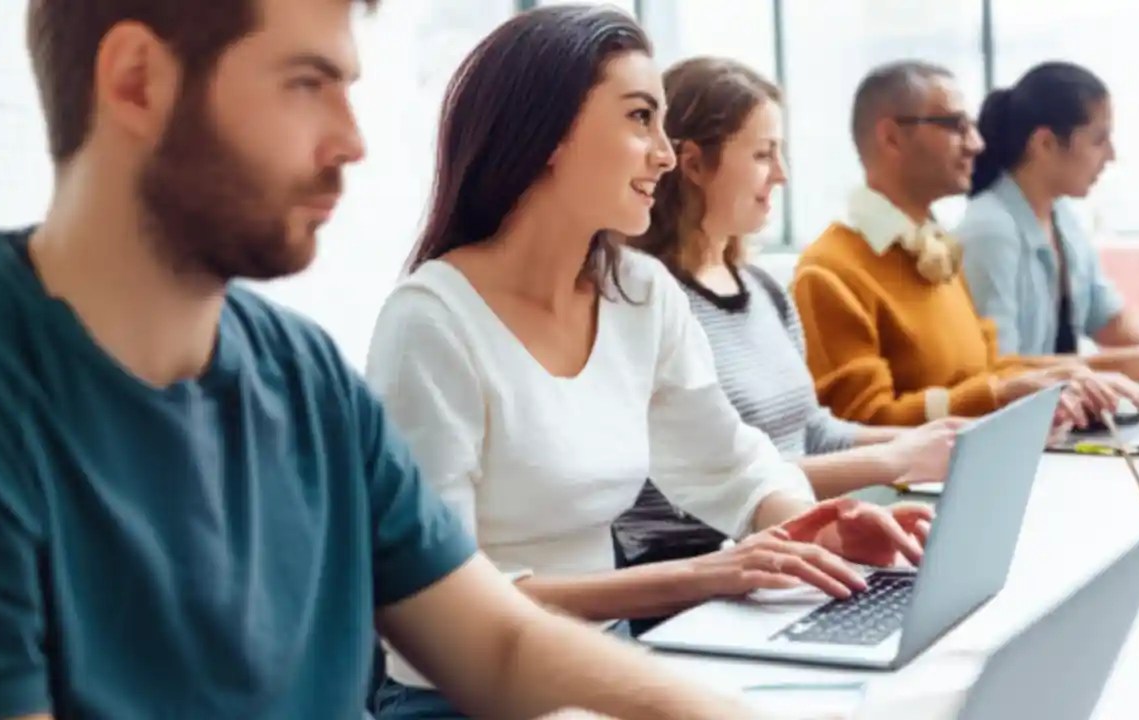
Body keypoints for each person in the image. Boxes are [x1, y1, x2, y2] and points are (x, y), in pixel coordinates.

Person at [0, 1, 793, 718]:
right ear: (138, 83)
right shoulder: (12, 392)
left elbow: (496, 643)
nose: (352, 142)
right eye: (307, 84)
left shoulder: (303, 374)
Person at [365, 7, 935, 716]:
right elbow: (444, 600)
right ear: (547, 135)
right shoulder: (432, 322)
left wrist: (805, 524)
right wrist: (698, 575)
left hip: (606, 667)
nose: (666, 155)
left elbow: (728, 464)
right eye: (641, 119)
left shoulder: (640, 292)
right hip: (463, 697)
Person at [632, 56, 960, 500]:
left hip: (803, 535)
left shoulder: (764, 290)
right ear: (693, 165)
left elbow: (815, 432)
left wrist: (944, 438)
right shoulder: (650, 304)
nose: (782, 174)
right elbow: (705, 481)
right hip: (730, 550)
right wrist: (894, 458)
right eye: (764, 154)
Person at [792, 61, 1139, 428]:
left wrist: (1070, 375)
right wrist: (1001, 394)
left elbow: (990, 367)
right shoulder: (830, 271)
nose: (976, 145)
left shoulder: (933, 249)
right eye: (955, 126)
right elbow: (861, 421)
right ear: (891, 138)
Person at [958, 62, 1139, 381]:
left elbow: (1109, 320)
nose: (1111, 155)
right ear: (1044, 143)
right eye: (1099, 140)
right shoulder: (989, 230)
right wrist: (1112, 365)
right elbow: (998, 370)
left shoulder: (1063, 218)